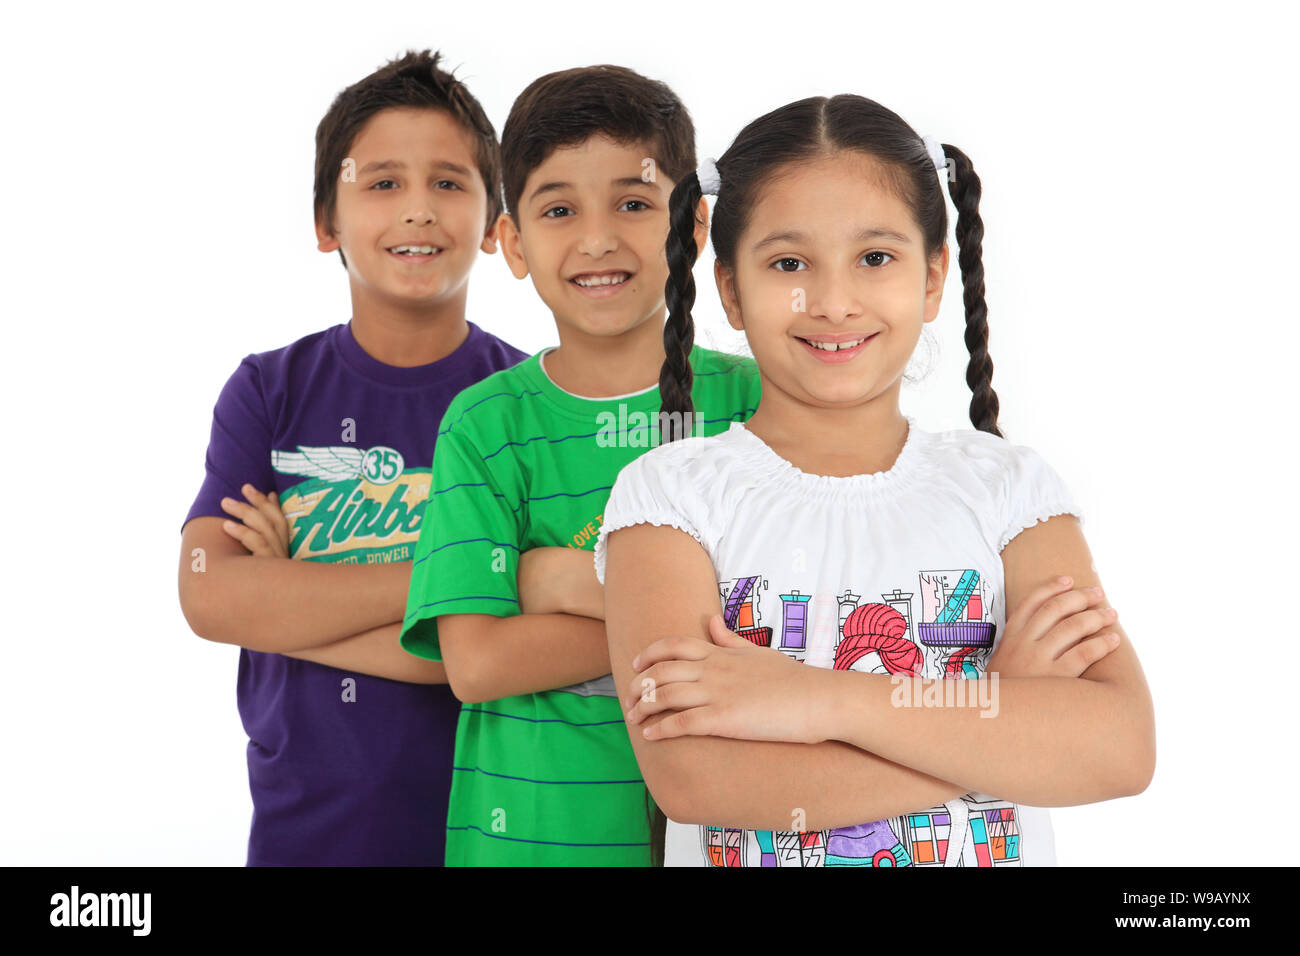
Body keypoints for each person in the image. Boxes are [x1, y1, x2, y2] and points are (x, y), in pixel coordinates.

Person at [594, 94, 1156, 867]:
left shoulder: (1009, 489)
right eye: (788, 263)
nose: (832, 302)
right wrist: (989, 714)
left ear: (932, 280)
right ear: (729, 287)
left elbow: (1117, 749)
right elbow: (693, 778)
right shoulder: (669, 498)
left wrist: (813, 699)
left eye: (876, 258)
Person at [398, 64, 763, 865]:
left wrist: (559, 581)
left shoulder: (753, 401)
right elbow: (478, 662)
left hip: (731, 836)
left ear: (693, 227)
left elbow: (786, 628)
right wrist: (684, 620)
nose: (598, 239)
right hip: (531, 847)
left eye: (634, 204)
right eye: (560, 209)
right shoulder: (488, 425)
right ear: (514, 243)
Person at [177, 50, 527, 866]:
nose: (417, 211)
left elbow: (506, 651)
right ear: (326, 221)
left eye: (448, 182)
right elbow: (207, 594)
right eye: (381, 183)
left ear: (492, 223)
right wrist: (460, 587)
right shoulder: (269, 390)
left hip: (489, 829)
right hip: (308, 832)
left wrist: (286, 600)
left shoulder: (526, 402)